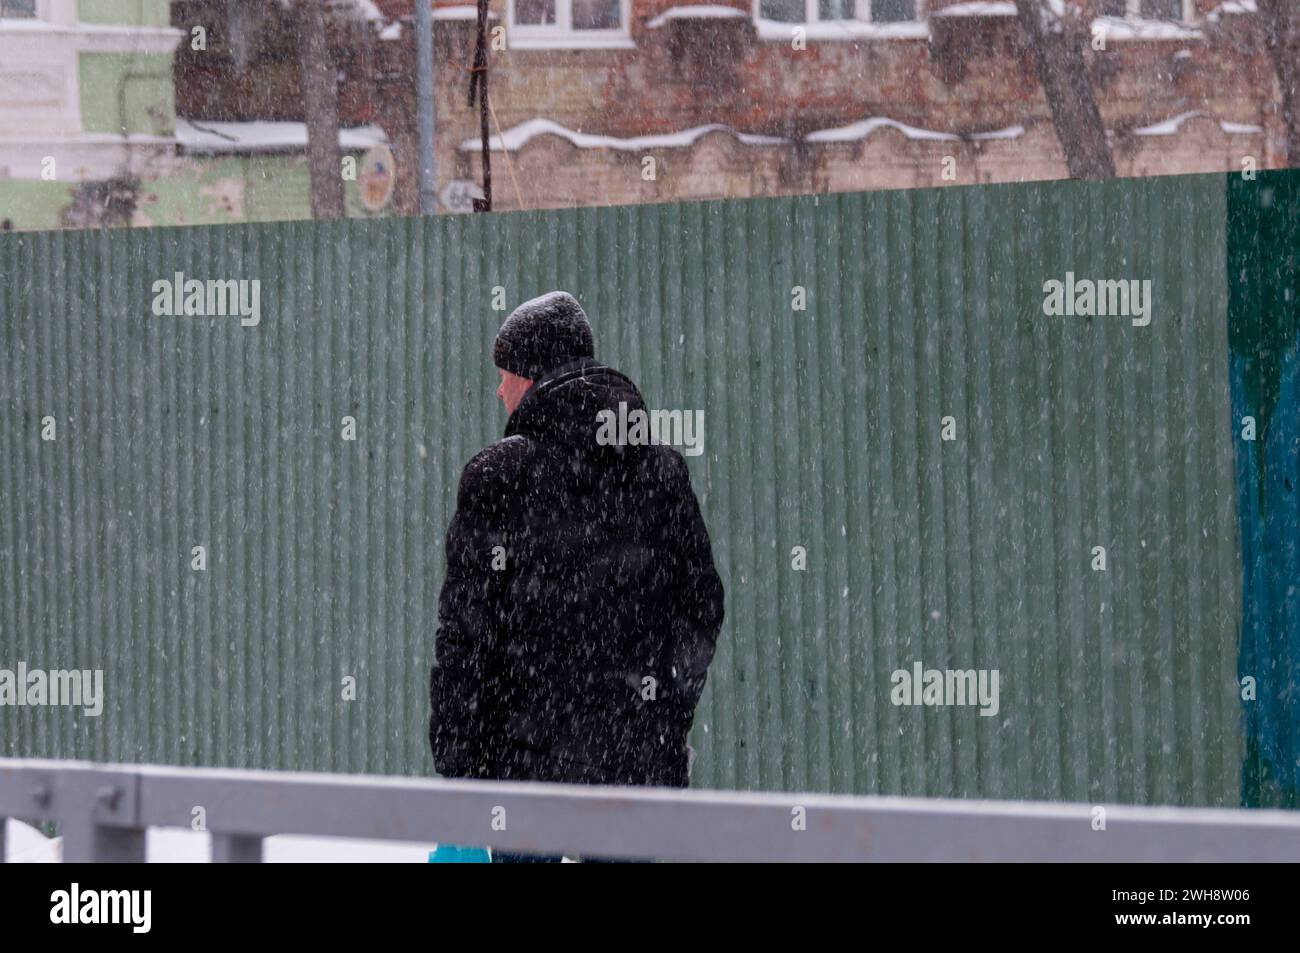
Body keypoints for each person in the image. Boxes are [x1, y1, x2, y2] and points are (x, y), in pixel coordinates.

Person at [428, 291, 725, 863]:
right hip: (634, 773)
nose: (499, 391)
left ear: (532, 378)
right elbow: (700, 605)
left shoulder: (498, 477)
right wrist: (663, 710)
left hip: (522, 776)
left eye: (505, 376)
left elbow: (467, 632)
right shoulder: (659, 471)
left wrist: (460, 764)